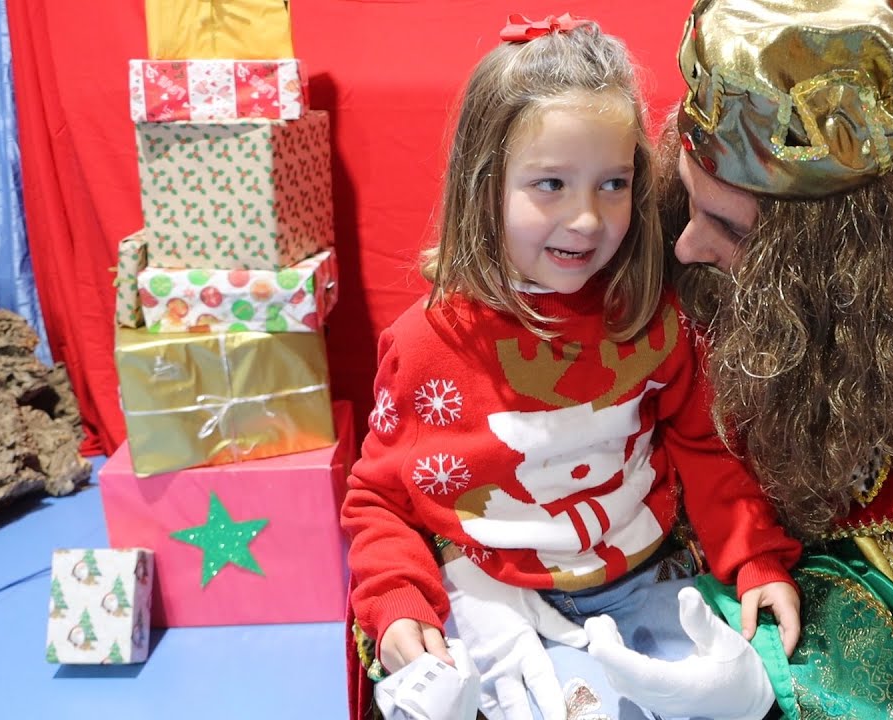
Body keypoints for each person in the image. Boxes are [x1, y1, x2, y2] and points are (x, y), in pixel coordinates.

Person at [586, 0, 893, 717]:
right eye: (691, 199)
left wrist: (738, 665)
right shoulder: (670, 245)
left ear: (833, 260)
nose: (684, 246)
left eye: (724, 226)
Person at [340, 14, 803, 720]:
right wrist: (398, 601)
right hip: (492, 595)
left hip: (643, 582)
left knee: (735, 694)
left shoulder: (653, 317)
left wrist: (755, 560)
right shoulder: (427, 344)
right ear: (482, 185)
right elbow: (379, 498)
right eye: (550, 184)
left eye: (614, 184)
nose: (587, 219)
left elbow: (705, 447)